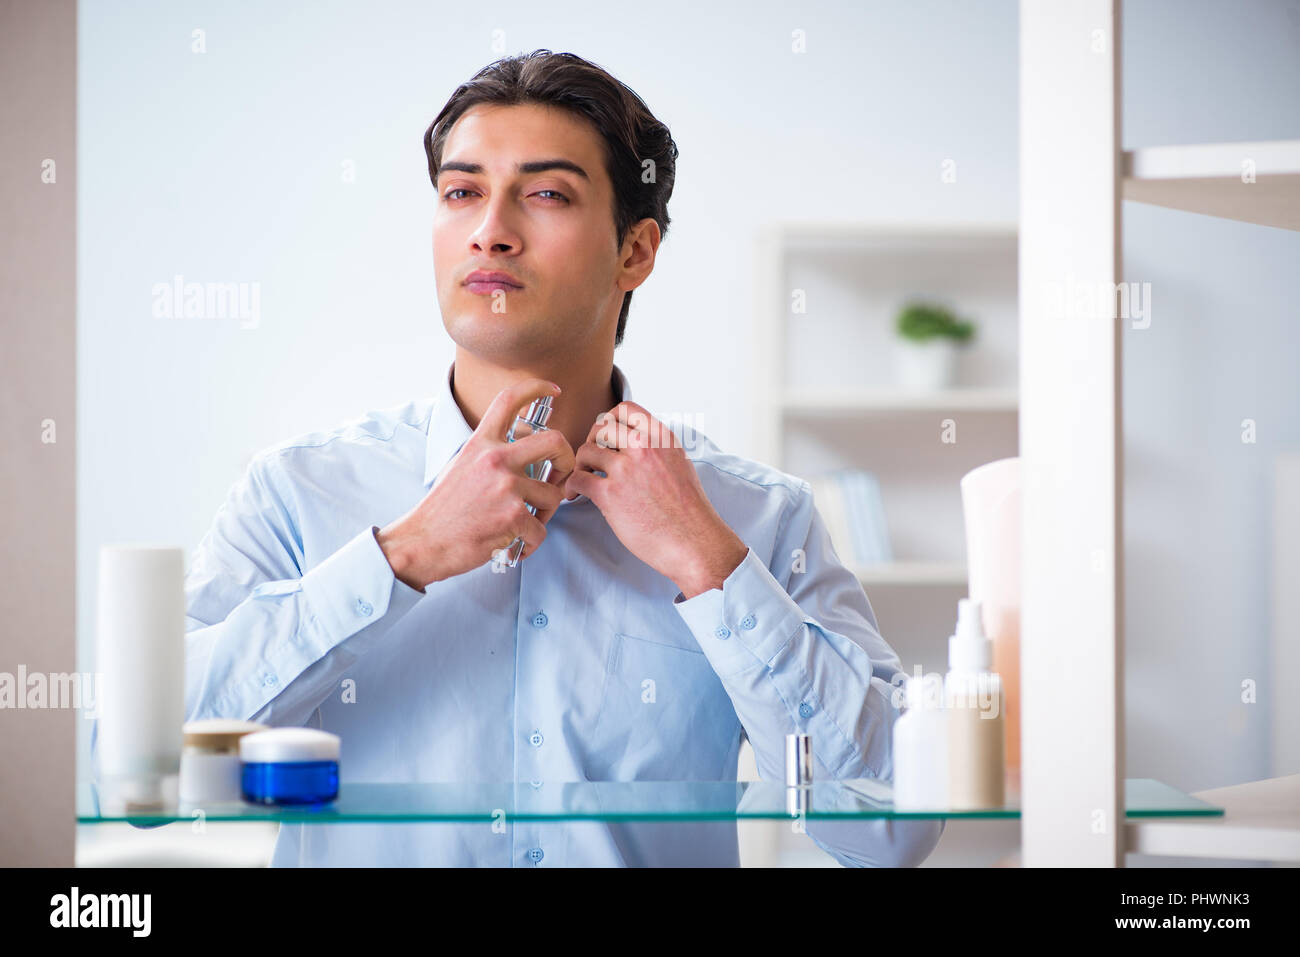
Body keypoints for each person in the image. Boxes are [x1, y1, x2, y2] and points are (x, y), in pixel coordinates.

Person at [178, 49, 944, 866]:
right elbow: (147, 769)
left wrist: (710, 565)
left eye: (545, 194)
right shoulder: (297, 492)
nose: (491, 230)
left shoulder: (758, 516)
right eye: (462, 192)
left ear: (636, 253)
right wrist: (401, 558)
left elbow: (888, 830)